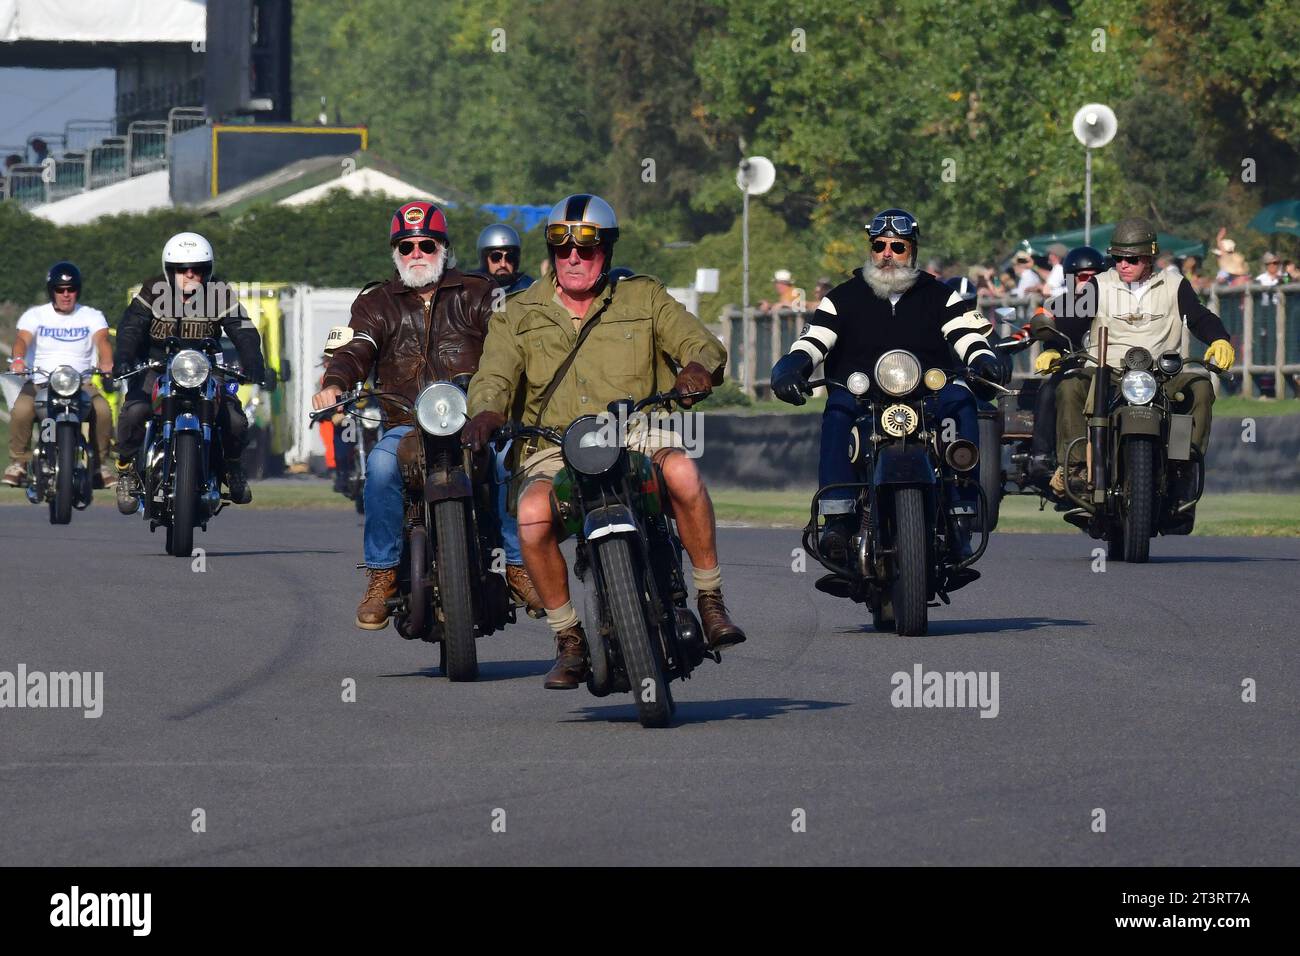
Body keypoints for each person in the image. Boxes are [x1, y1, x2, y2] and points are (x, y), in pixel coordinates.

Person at [462, 193, 745, 689]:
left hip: (634, 431)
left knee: (682, 471)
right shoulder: (517, 313)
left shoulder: (645, 296)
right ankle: (568, 637)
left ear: (606, 251)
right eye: (562, 247)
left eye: (586, 248)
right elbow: (495, 374)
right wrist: (486, 412)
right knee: (530, 515)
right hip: (553, 445)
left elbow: (701, 342)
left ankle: (710, 598)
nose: (573, 257)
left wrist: (698, 367)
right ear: (550, 251)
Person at [312, 202, 542, 628]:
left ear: (444, 248)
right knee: (380, 469)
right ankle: (382, 575)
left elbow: (509, 345)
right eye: (407, 245)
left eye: (426, 244)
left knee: (510, 460)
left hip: (473, 421)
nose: (416, 252)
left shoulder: (477, 292)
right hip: (404, 424)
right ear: (396, 252)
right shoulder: (376, 302)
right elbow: (356, 348)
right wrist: (335, 382)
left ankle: (516, 565)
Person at [769, 207, 1003, 561]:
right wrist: (790, 367)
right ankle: (838, 517)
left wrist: (983, 360)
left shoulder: (940, 295)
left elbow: (966, 334)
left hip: (928, 396)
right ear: (871, 248)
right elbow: (813, 341)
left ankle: (961, 511)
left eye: (898, 247)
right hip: (863, 400)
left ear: (913, 250)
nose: (887, 255)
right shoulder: (842, 298)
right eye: (879, 246)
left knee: (961, 399)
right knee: (836, 409)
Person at [1048, 218, 1234, 511]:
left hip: (1161, 373)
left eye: (1131, 258)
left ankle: (1183, 469)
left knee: (1200, 387)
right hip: (1106, 371)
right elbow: (1071, 322)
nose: (1123, 264)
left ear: (1150, 256)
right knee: (1069, 386)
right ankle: (1076, 470)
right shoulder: (1099, 284)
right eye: (1117, 257)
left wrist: (1219, 339)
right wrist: (1053, 347)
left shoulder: (1174, 285)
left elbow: (1200, 317)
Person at [112, 232, 266, 512]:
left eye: (198, 269)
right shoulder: (153, 289)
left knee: (234, 419)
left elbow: (242, 328)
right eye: (182, 270)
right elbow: (131, 326)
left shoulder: (219, 292)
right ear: (169, 271)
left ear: (208, 271)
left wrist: (254, 361)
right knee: (134, 412)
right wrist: (123, 357)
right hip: (158, 366)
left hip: (205, 367)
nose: (190, 275)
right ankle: (125, 469)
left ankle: (232, 469)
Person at [3, 262, 115, 488]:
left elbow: (102, 341)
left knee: (102, 410)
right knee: (22, 410)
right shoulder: (35, 315)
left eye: (71, 289)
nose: (66, 294)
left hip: (80, 382)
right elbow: (22, 340)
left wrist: (106, 363)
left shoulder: (91, 316)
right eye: (60, 289)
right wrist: (18, 360)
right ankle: (18, 462)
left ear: (78, 290)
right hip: (41, 381)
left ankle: (100, 466)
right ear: (51, 290)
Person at [1026, 245, 1102, 482]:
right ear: (1070, 278)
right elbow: (1037, 328)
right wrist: (1049, 350)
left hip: (1108, 369)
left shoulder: (1113, 303)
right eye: (1082, 277)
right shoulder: (1058, 305)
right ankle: (1041, 455)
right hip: (1071, 366)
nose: (1088, 282)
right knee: (1049, 390)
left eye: (1094, 277)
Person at [474, 223, 534, 294]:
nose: (503, 264)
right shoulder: (471, 290)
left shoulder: (530, 290)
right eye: (496, 257)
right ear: (484, 260)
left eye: (510, 257)